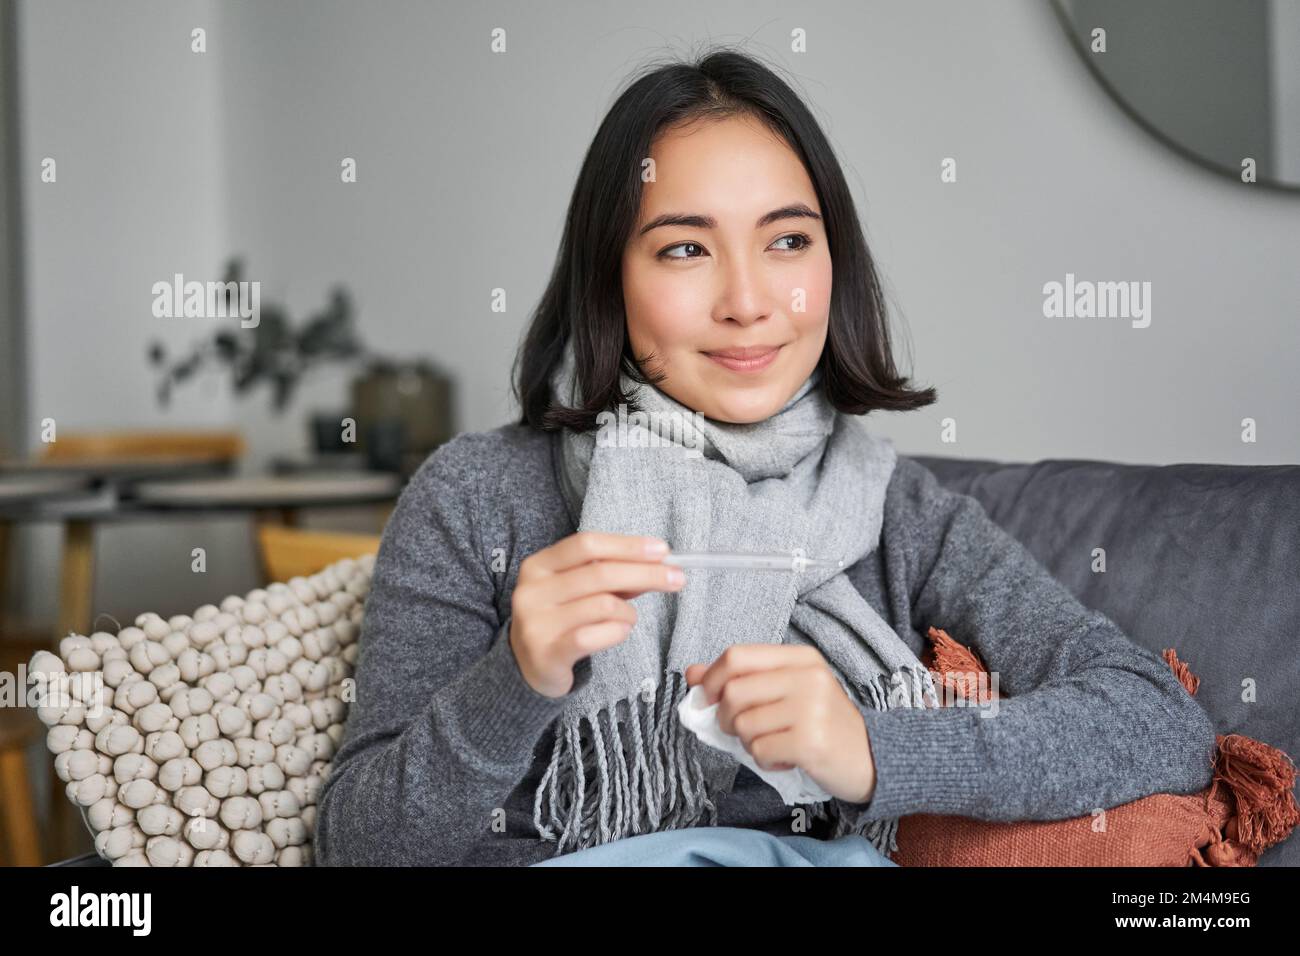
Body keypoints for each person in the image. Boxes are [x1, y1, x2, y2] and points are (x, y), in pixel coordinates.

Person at [313, 47, 1217, 867]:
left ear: (834, 263)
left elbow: (1157, 721)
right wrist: (514, 679)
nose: (748, 301)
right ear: (609, 278)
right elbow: (358, 848)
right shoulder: (478, 498)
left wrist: (869, 752)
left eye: (787, 239)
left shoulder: (899, 513)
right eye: (684, 248)